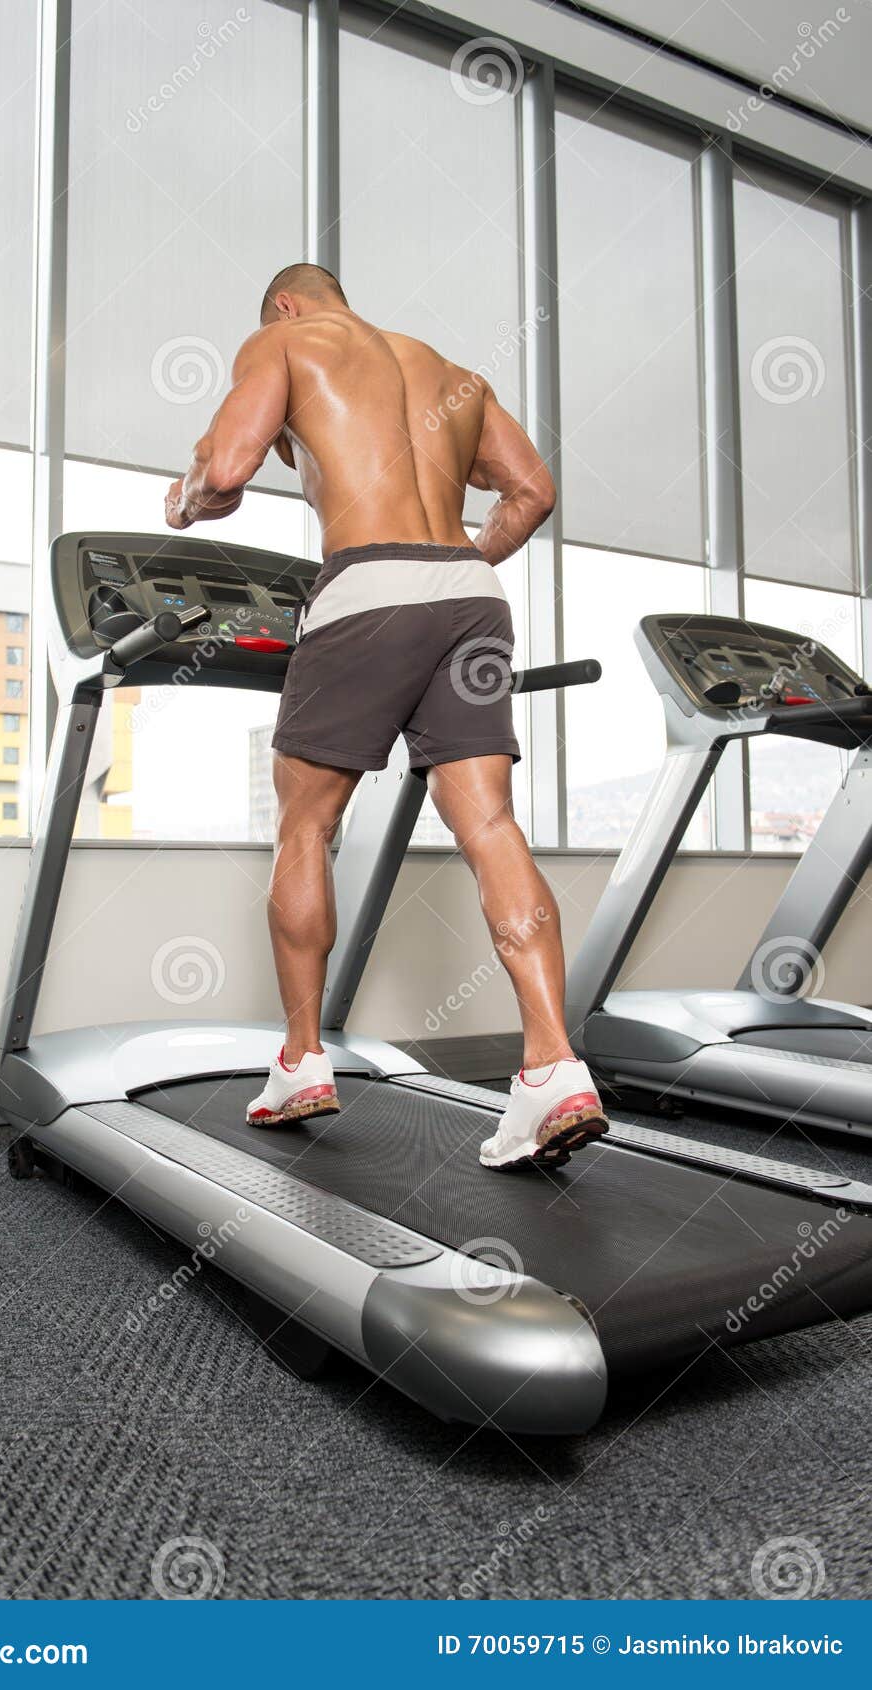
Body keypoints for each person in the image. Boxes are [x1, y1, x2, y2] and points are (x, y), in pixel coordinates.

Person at [165, 263, 608, 1170]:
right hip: (474, 598)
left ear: (286, 305)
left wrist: (183, 499)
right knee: (488, 822)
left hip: (365, 589)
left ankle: (299, 1061)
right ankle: (553, 1066)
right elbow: (533, 493)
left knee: (306, 823)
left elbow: (229, 467)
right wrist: (448, 572)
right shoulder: (457, 376)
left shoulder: (283, 340)